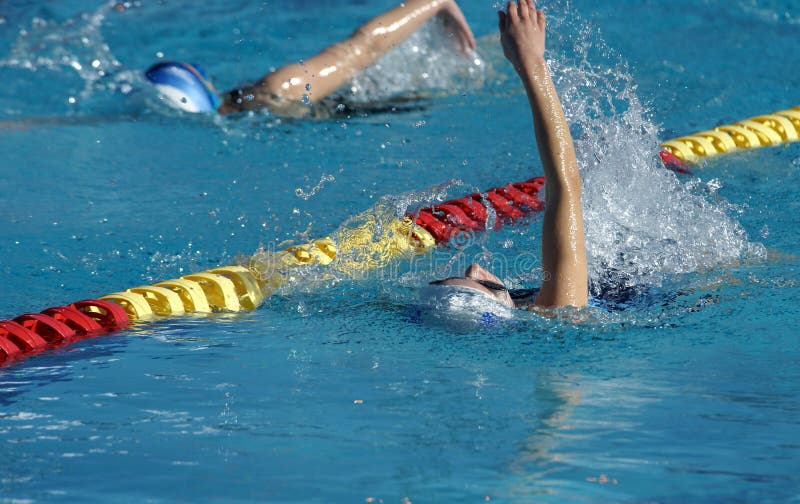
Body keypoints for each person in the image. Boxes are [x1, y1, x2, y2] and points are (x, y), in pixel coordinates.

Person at [428, 0, 588, 310]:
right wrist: (530, 63)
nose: (473, 268)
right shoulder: (561, 310)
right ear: (504, 308)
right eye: (483, 284)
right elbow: (565, 186)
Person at [145, 0, 475, 116]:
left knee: (351, 57)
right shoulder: (262, 102)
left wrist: (434, 4)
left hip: (333, 103)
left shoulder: (279, 89)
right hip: (338, 109)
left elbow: (362, 49)